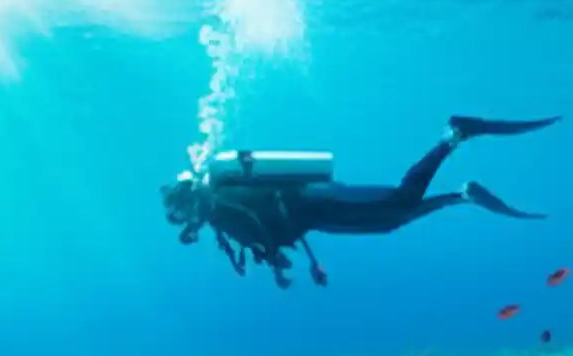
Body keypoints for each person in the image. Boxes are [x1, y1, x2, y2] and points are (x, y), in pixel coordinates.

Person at [162, 115, 561, 288]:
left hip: (321, 204)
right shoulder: (220, 212)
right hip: (318, 214)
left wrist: (282, 263)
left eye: (181, 215)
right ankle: (463, 194)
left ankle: (454, 136)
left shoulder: (222, 208)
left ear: (188, 203)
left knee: (400, 201)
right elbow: (264, 233)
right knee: (391, 220)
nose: (187, 223)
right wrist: (284, 263)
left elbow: (264, 228)